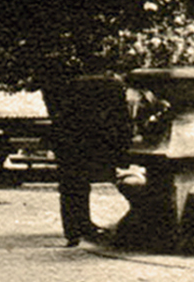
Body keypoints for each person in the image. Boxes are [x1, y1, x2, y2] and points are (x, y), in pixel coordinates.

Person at [42, 75, 133, 247]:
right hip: (85, 138)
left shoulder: (63, 84)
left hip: (67, 137)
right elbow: (119, 117)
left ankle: (75, 229)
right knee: (78, 183)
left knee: (72, 184)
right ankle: (79, 227)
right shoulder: (112, 85)